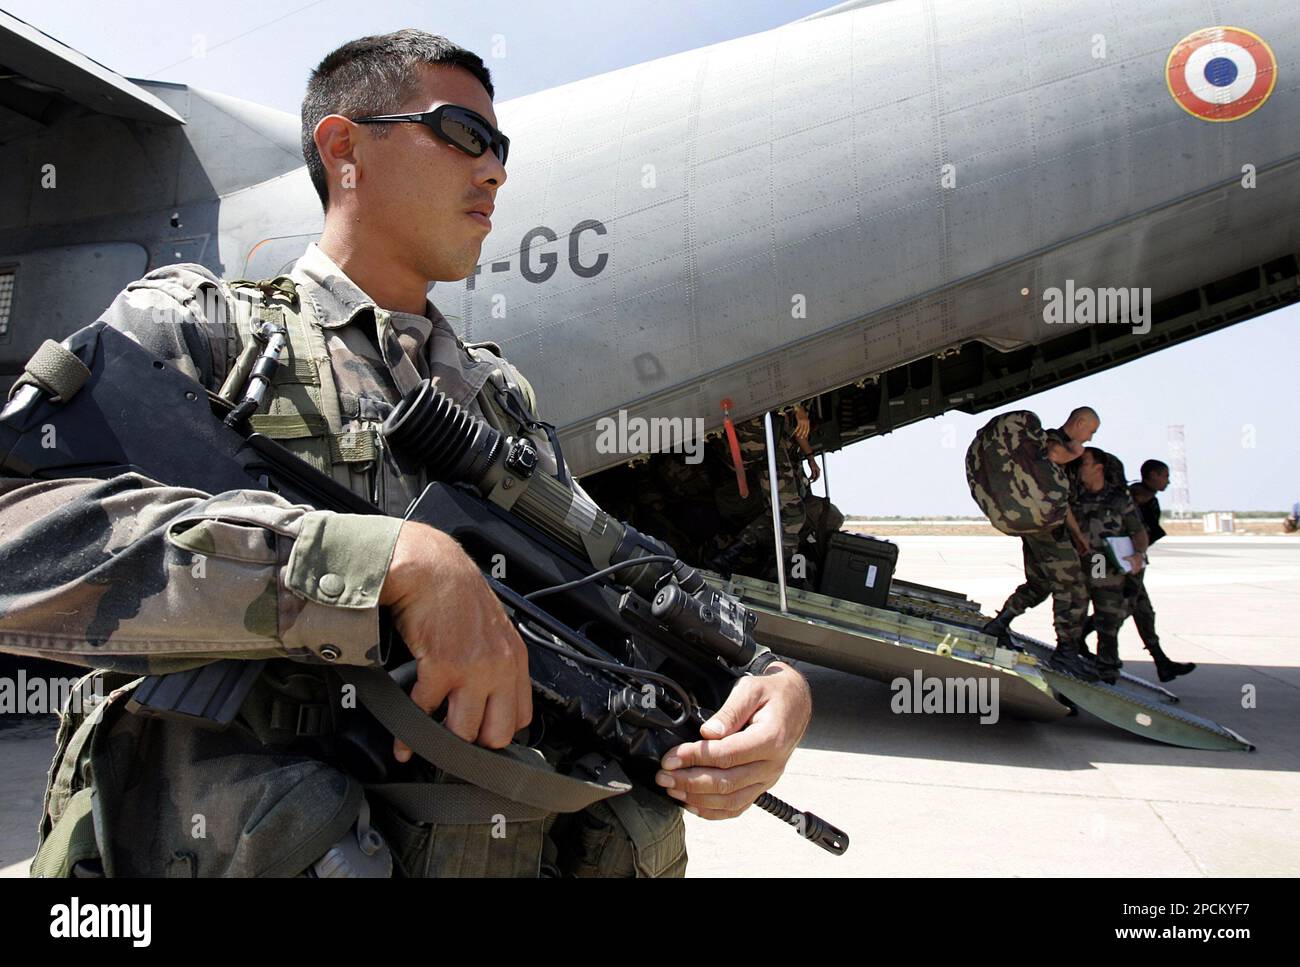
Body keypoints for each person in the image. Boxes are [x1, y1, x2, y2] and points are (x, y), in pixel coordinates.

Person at [0, 30, 812, 877]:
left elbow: (608, 574)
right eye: (464, 133)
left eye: (501, 148)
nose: (494, 170)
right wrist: (383, 564)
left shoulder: (499, 399)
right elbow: (19, 546)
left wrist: (765, 679)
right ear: (345, 147)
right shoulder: (200, 331)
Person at [967, 407, 1098, 679]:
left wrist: (1079, 535)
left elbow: (1061, 501)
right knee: (1072, 588)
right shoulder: (1054, 441)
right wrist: (1075, 453)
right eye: (1091, 431)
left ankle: (999, 624)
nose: (1091, 437)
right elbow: (1052, 456)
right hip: (1048, 530)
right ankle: (1066, 653)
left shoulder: (1043, 442)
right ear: (1080, 422)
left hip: (1040, 525)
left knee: (1040, 583)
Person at [1081, 457, 1194, 682]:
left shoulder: (1146, 501)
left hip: (1130, 566)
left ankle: (1161, 662)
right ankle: (1088, 650)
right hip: (1113, 566)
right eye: (1164, 476)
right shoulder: (1123, 499)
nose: (1168, 482)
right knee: (1115, 611)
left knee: (1142, 611)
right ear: (1151, 475)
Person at [1070, 448, 1149, 684]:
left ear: (1098, 468)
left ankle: (1108, 674)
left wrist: (1139, 554)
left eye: (1083, 464)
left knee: (1108, 623)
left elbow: (1138, 531)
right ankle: (1070, 669)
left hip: (1107, 569)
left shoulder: (1119, 499)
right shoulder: (1073, 497)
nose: (1078, 469)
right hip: (1080, 568)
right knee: (1071, 622)